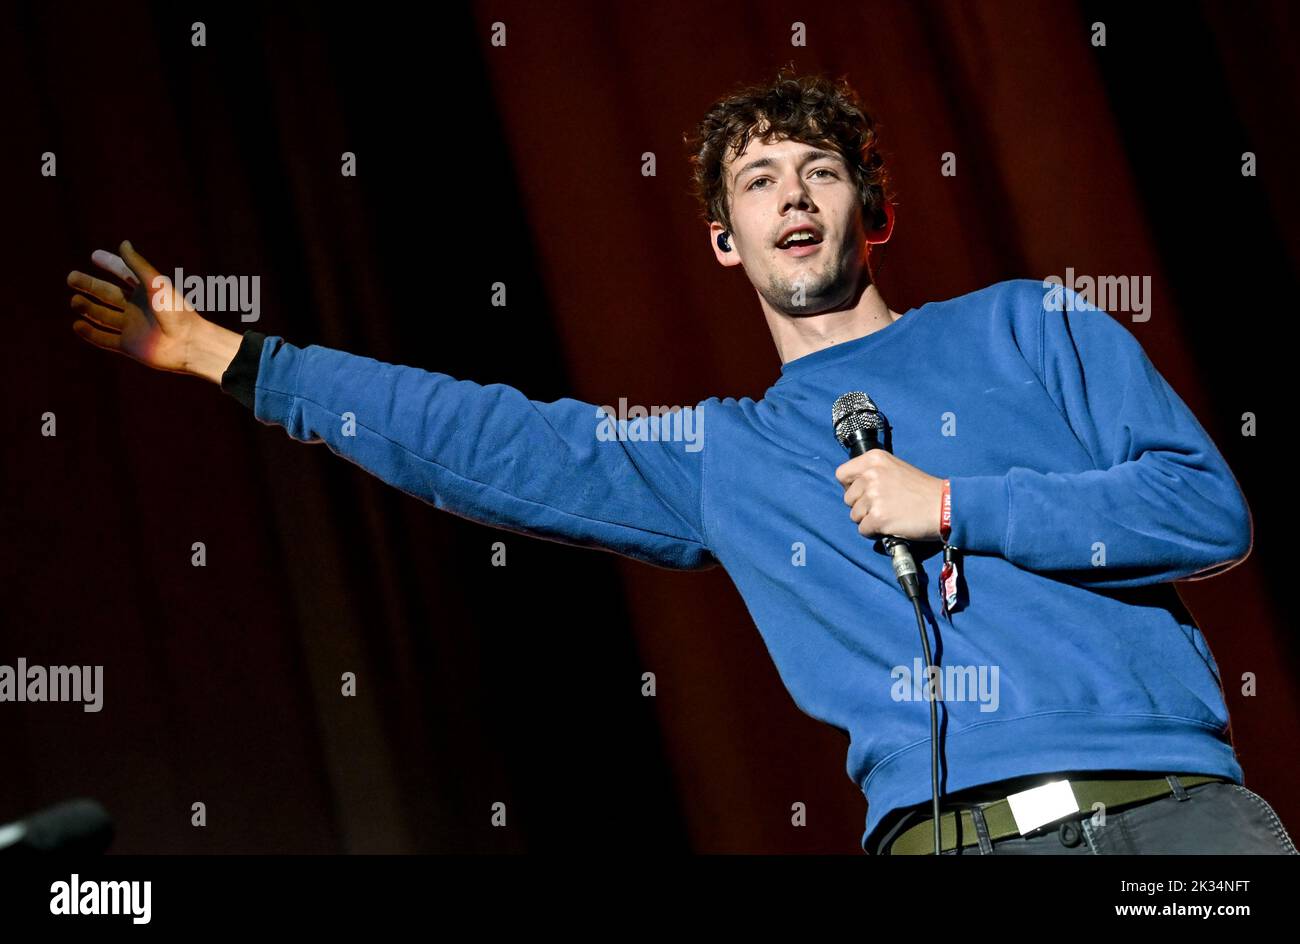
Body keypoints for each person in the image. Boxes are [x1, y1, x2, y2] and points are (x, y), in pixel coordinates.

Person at [65, 68, 1295, 855]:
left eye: (820, 170)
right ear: (724, 238)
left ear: (874, 212)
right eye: (758, 181)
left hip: (1172, 816)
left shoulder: (1030, 322)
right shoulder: (725, 453)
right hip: (946, 840)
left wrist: (958, 504)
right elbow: (487, 438)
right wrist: (240, 360)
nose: (792, 194)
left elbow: (1200, 504)